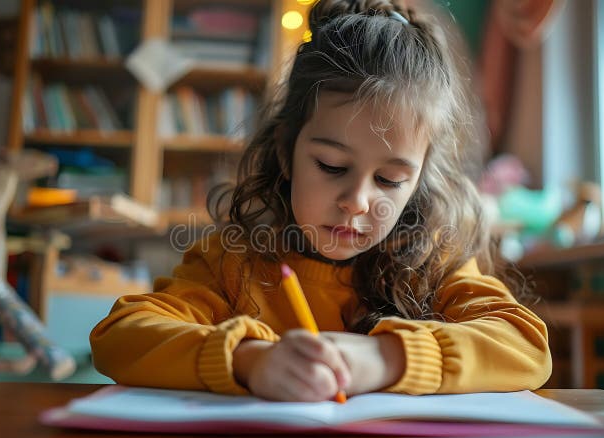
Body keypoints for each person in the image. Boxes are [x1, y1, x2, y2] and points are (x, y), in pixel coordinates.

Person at [90, 0, 552, 402]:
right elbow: (119, 337)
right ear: (285, 154)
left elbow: (526, 346)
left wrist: (386, 357)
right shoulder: (233, 262)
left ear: (419, 184)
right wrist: (250, 361)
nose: (356, 202)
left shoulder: (434, 262)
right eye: (332, 167)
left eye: (390, 179)